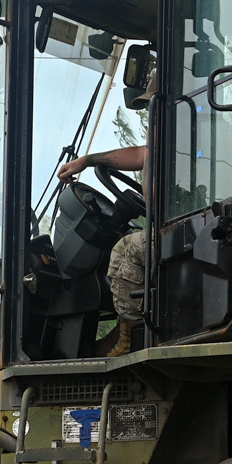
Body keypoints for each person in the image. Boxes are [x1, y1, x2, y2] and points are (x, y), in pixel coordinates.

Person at [58, 146, 148, 356]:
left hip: (180, 231)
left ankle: (132, 335)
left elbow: (143, 153)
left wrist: (87, 161)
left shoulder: (176, 138)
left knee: (126, 249)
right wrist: (86, 161)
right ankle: (129, 327)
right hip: (179, 228)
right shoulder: (171, 139)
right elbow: (140, 154)